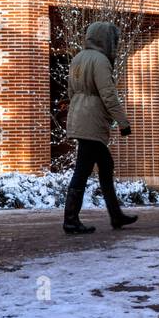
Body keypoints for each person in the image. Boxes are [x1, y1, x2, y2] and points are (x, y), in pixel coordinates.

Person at [62, 20, 138, 235]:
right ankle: (70, 220)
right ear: (105, 39)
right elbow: (108, 94)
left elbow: (70, 91)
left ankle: (116, 215)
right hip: (92, 120)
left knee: (105, 165)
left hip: (79, 115)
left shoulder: (78, 58)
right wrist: (122, 122)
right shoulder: (101, 60)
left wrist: (79, 107)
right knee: (82, 170)